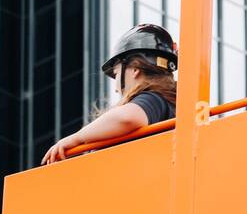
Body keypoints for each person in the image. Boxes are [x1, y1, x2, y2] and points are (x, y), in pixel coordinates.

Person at [41, 23, 179, 164]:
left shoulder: (153, 99)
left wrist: (75, 138)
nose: (116, 89)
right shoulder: (171, 104)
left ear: (135, 69)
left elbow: (127, 117)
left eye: (117, 73)